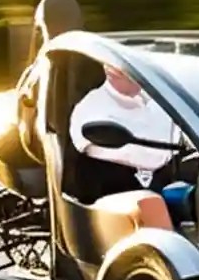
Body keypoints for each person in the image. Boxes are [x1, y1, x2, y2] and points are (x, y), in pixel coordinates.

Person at [68, 63, 183, 230]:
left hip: (161, 185)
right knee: (149, 203)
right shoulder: (91, 107)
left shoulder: (162, 104)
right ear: (111, 70)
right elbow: (147, 158)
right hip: (109, 197)